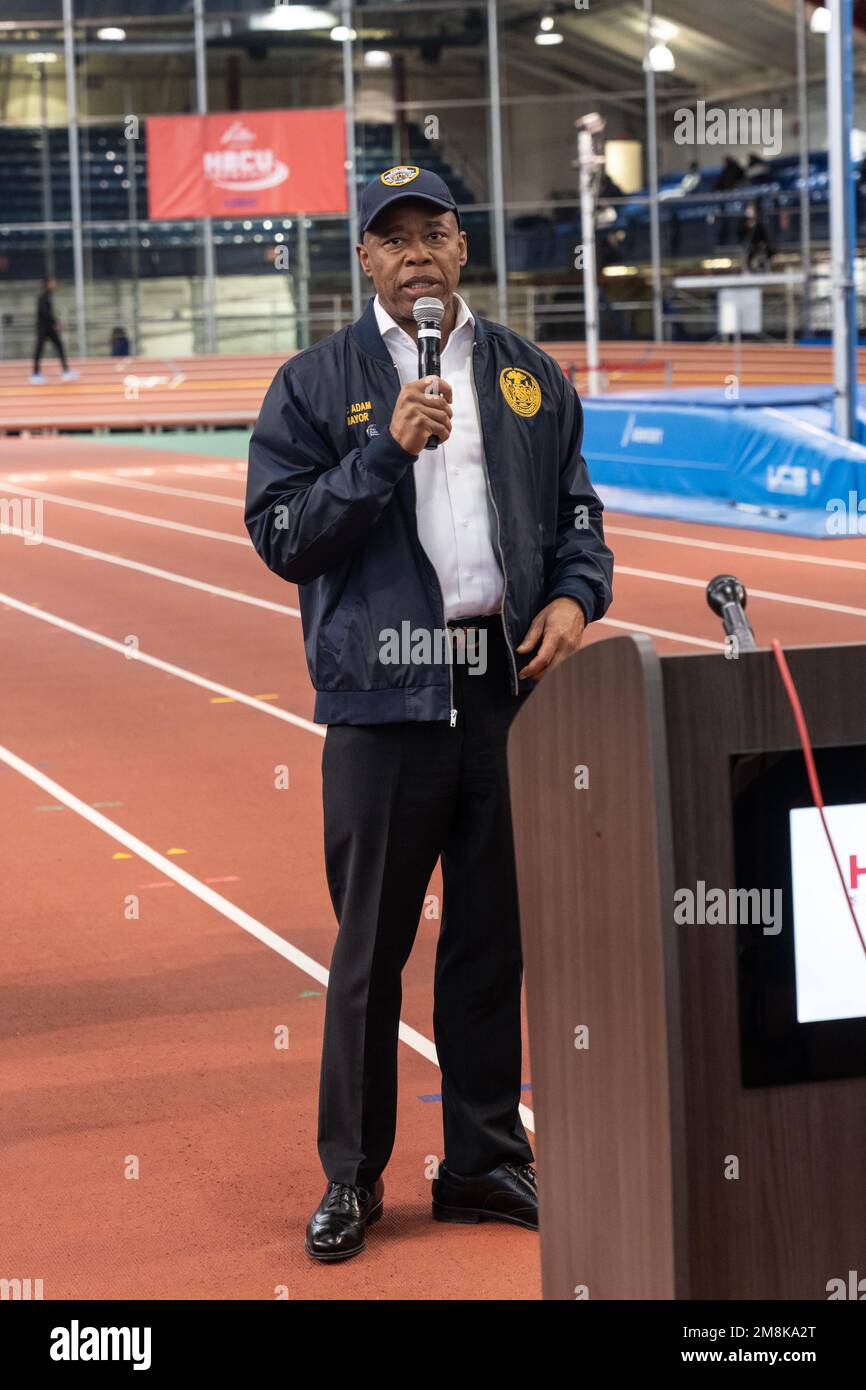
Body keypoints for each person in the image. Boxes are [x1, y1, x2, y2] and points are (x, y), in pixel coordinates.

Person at [244, 165, 614, 1263]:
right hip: (381, 696)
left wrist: (571, 595)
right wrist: (381, 452)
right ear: (363, 259)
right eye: (390, 237)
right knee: (370, 949)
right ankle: (352, 1176)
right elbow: (281, 534)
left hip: (501, 691)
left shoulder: (527, 376)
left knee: (490, 941)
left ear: (463, 249)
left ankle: (481, 1158)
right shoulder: (316, 384)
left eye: (432, 233)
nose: (413, 254)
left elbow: (578, 516)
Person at [31, 277, 77, 383]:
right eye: (52, 282)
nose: (55, 284)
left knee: (59, 347)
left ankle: (66, 371)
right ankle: (35, 374)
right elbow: (45, 313)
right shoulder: (43, 296)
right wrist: (55, 323)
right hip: (44, 328)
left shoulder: (47, 296)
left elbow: (47, 312)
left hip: (48, 328)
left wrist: (53, 323)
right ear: (47, 284)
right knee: (39, 350)